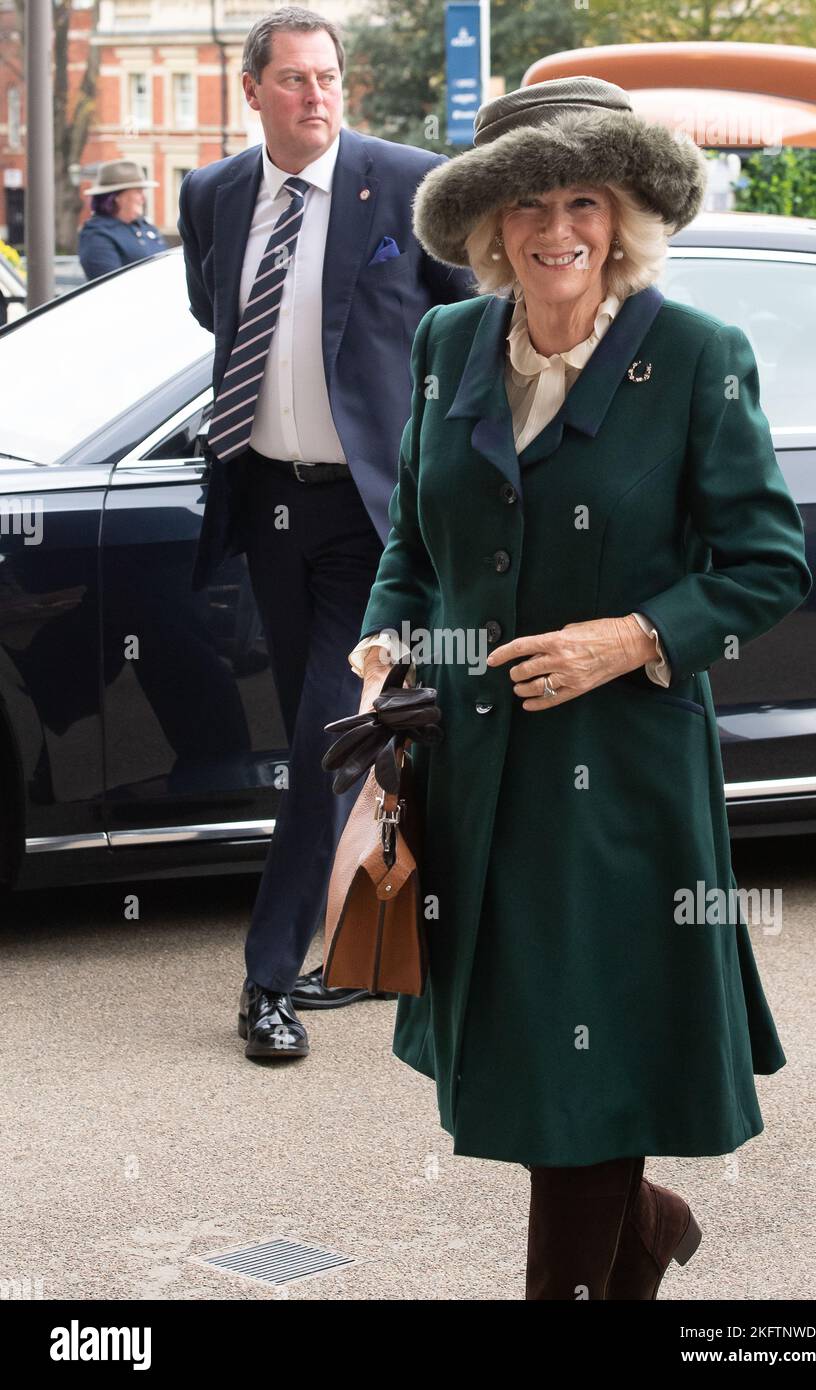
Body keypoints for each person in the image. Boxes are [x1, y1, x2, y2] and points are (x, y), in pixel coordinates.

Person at [350, 76, 812, 1299]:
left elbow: (766, 566)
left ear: (620, 218)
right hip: (472, 768)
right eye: (524, 204)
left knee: (588, 1065)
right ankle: (647, 1223)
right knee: (536, 1057)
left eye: (582, 200)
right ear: (488, 227)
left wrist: (628, 637)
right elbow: (410, 533)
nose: (555, 227)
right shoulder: (451, 340)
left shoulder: (697, 355)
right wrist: (385, 641)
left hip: (622, 782)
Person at [176, 6, 476, 1061]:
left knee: (320, 737)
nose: (316, 95)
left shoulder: (403, 183)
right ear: (252, 90)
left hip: (371, 518)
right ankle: (390, 931)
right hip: (264, 504)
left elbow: (471, 319)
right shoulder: (210, 195)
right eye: (294, 80)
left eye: (328, 77)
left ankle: (267, 982)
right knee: (359, 734)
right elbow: (219, 321)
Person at [78, 160, 167, 279]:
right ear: (117, 197)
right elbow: (109, 284)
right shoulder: (98, 233)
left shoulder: (147, 228)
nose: (143, 198)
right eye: (138, 191)